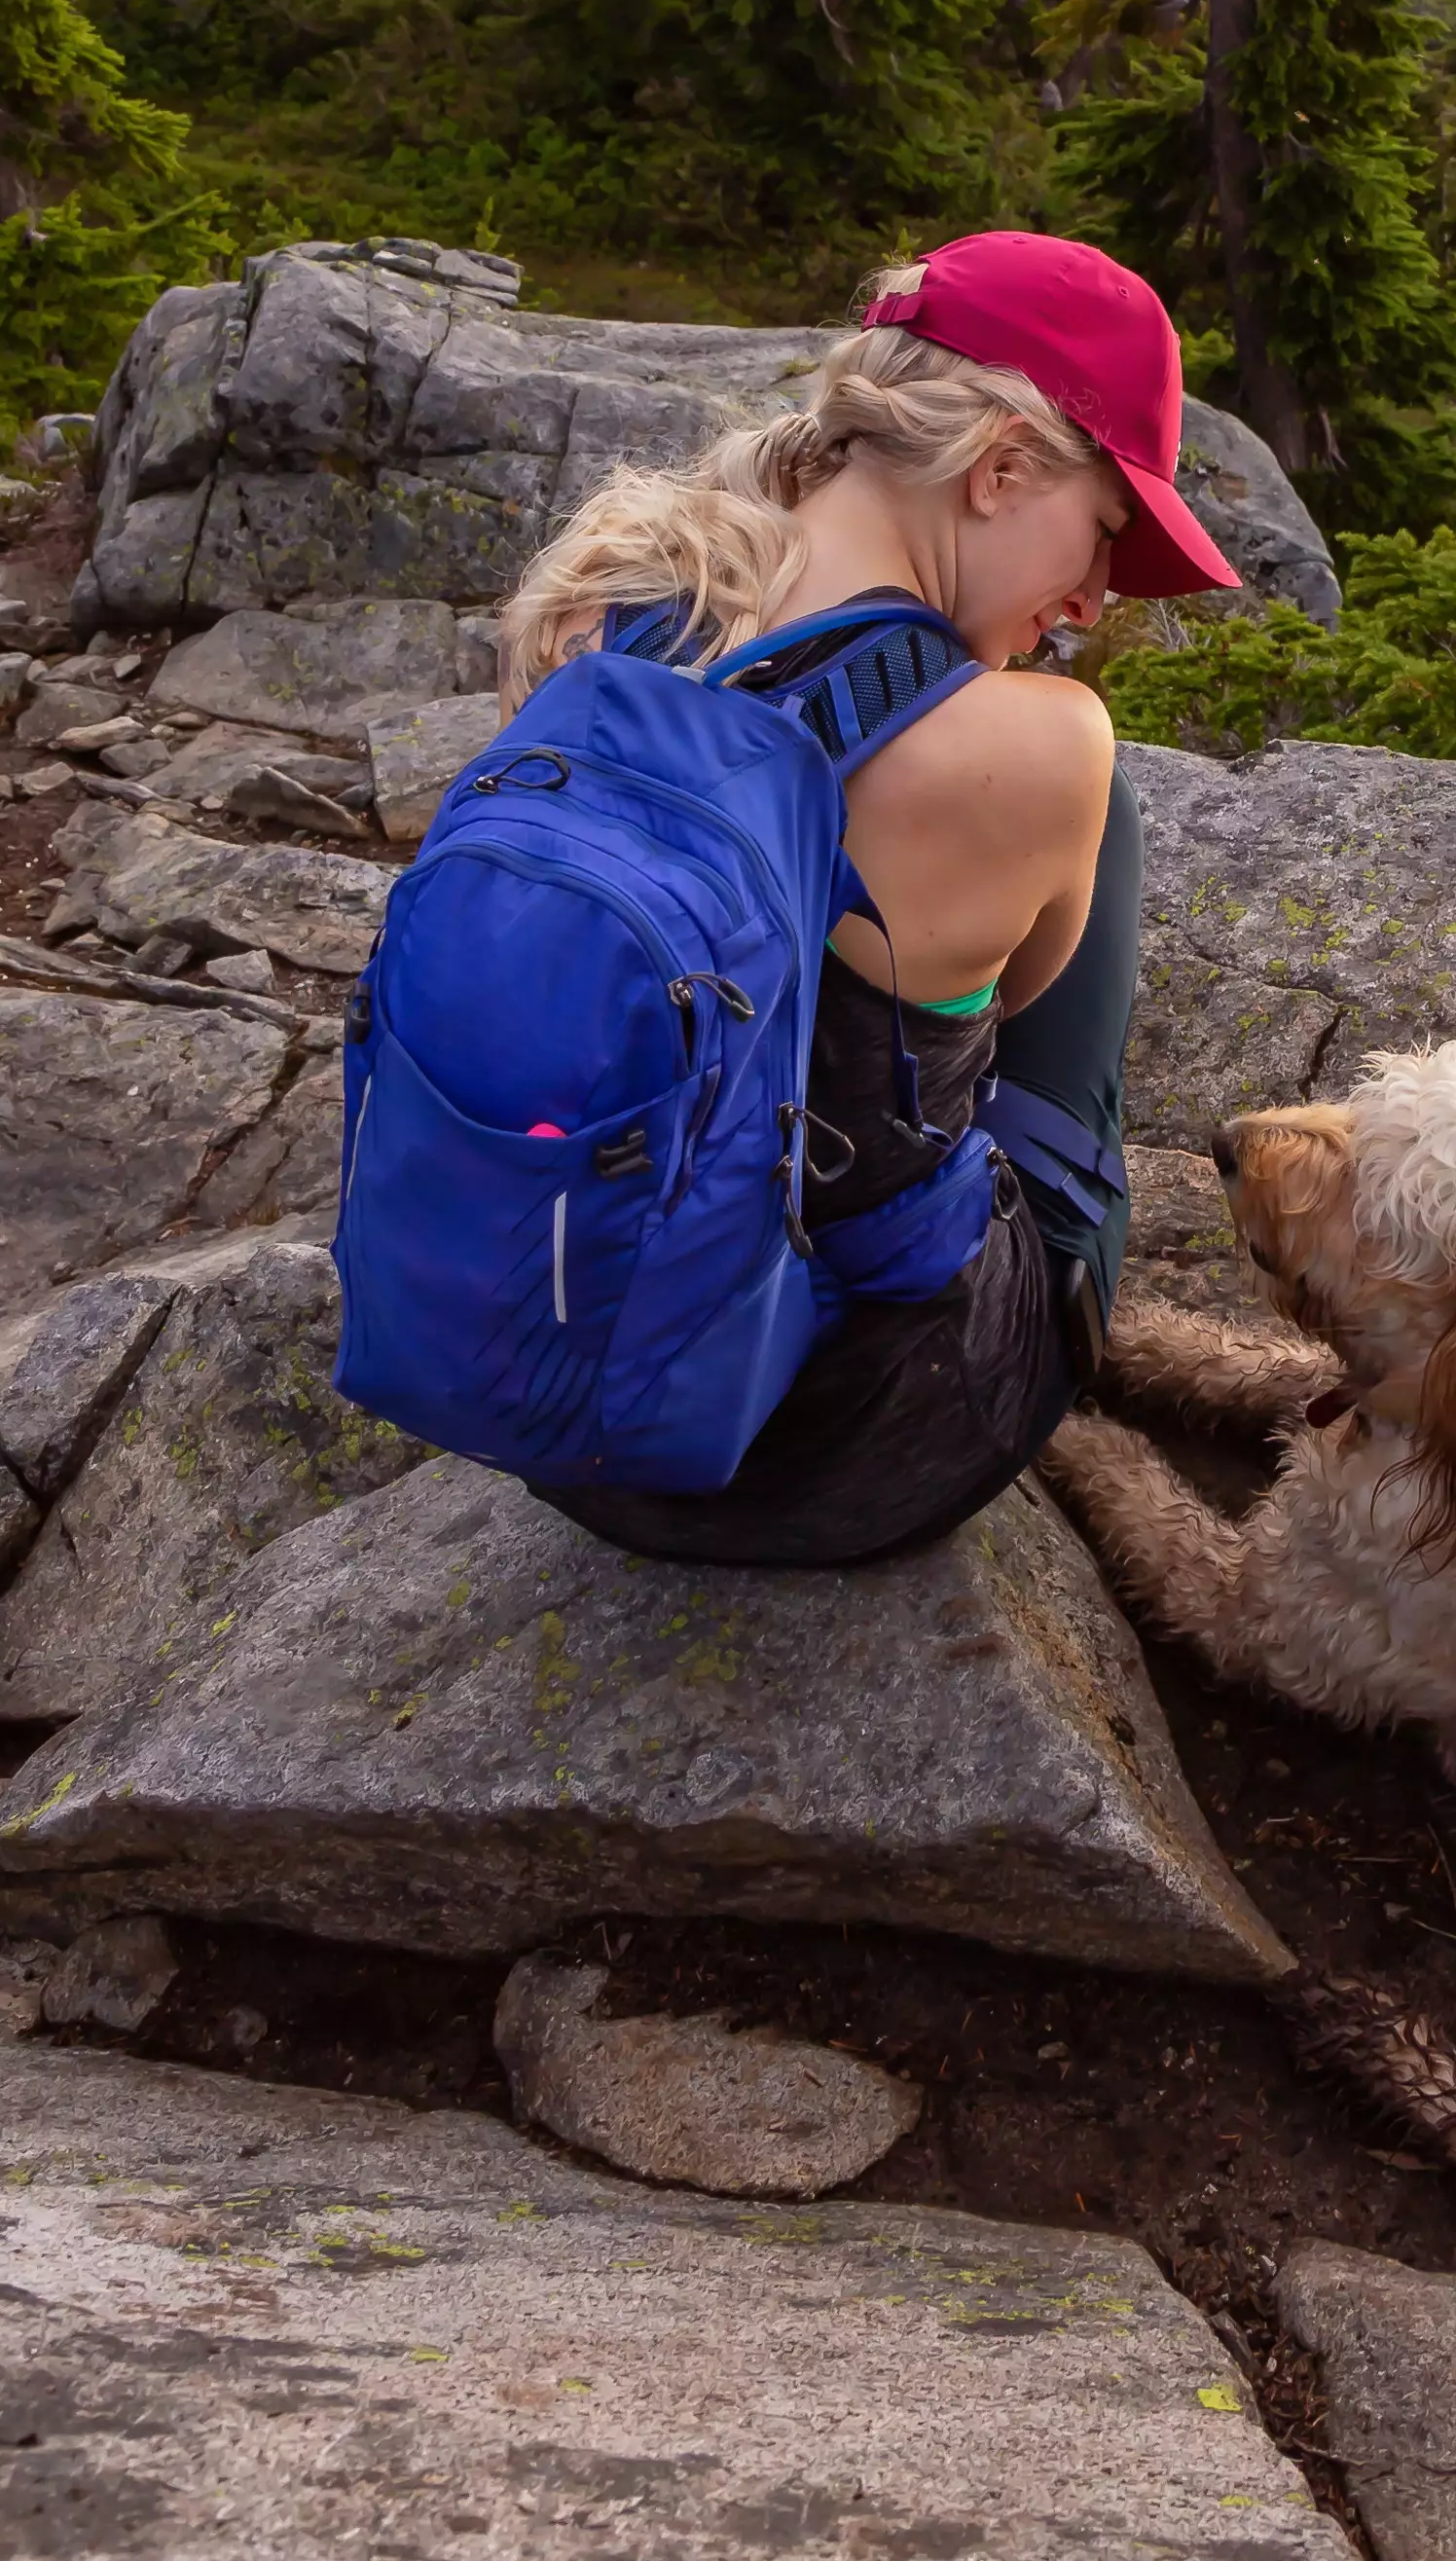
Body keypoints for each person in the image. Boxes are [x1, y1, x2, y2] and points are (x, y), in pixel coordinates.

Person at [489, 228, 1238, 1567]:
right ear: (1002, 468)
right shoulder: (1037, 744)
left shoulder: (606, 606)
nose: (1094, 597)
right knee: (1087, 861)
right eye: (1105, 532)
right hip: (839, 1451)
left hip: (544, 1391)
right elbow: (1024, 1013)